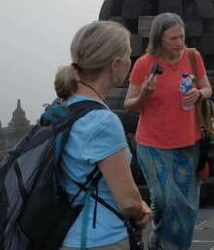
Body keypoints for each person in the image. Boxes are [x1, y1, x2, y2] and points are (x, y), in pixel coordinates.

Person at [54, 21, 152, 249]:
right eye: (129, 54)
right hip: (100, 239)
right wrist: (142, 209)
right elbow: (128, 202)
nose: (131, 61)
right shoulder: (102, 121)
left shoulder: (63, 107)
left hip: (66, 234)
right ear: (116, 64)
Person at [124, 12, 213, 250]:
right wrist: (145, 93)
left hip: (189, 142)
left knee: (185, 206)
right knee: (166, 201)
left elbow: (207, 88)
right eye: (172, 38)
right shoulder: (144, 64)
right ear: (158, 38)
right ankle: (160, 244)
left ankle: (165, 246)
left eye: (181, 37)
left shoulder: (193, 57)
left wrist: (199, 94)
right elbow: (129, 103)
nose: (178, 43)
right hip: (153, 144)